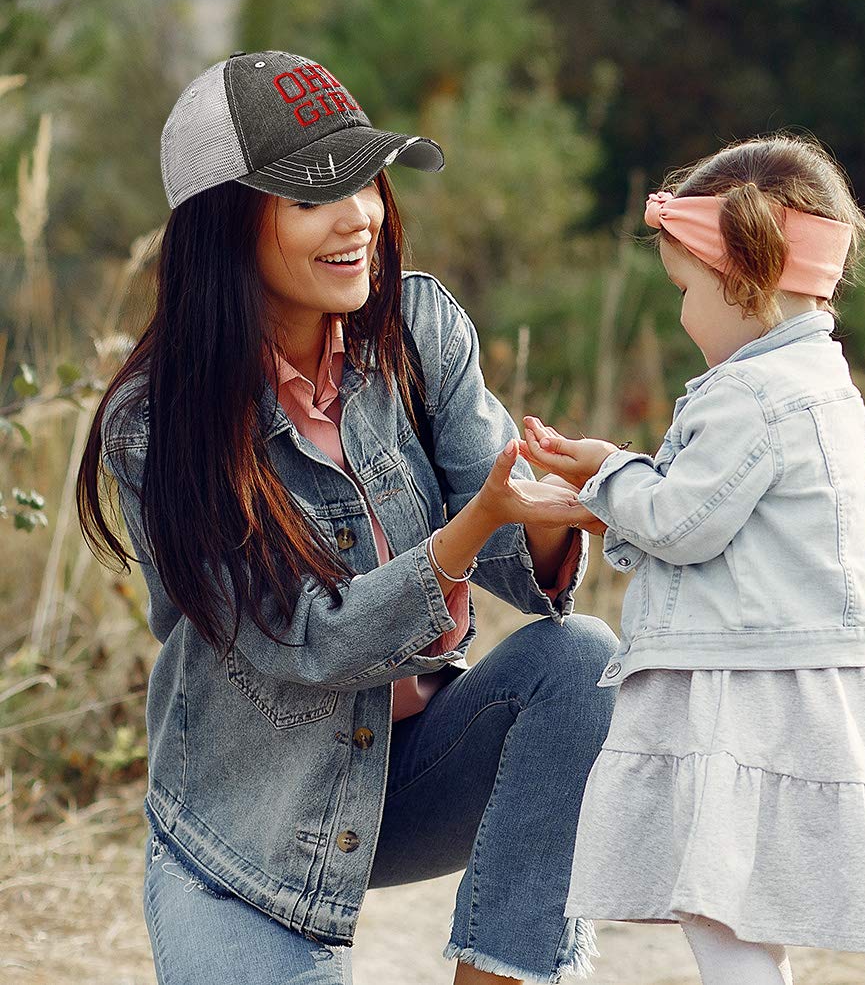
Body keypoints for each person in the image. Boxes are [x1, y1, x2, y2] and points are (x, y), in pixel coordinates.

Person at [76, 49, 618, 985]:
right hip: (251, 831)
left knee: (585, 667)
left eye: (366, 178)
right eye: (311, 195)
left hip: (411, 769)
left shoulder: (417, 330)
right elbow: (301, 641)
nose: (360, 214)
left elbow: (510, 554)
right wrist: (467, 529)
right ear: (222, 226)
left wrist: (540, 512)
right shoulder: (157, 425)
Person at [519, 134, 865, 985]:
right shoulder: (819, 380)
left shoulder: (752, 396)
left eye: (686, 290)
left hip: (741, 686)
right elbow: (713, 510)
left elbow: (683, 524)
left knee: (717, 898)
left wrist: (612, 477)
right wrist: (612, 473)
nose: (682, 315)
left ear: (747, 279)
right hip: (789, 668)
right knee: (738, 904)